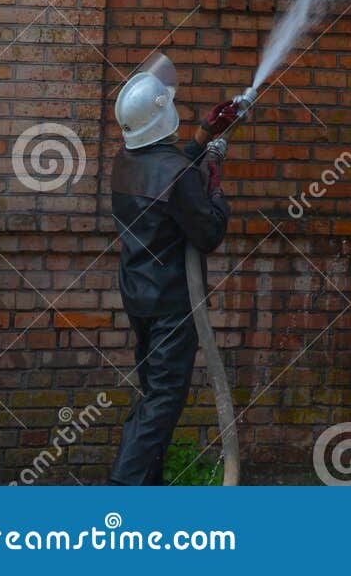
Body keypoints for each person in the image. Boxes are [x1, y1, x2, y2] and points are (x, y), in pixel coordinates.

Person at [108, 56, 238, 486]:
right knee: (163, 400)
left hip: (139, 293)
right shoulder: (178, 174)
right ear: (162, 116)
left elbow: (166, 164)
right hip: (171, 302)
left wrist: (204, 136)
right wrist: (215, 187)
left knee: (152, 395)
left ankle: (148, 489)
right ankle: (122, 495)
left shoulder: (125, 160)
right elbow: (208, 233)